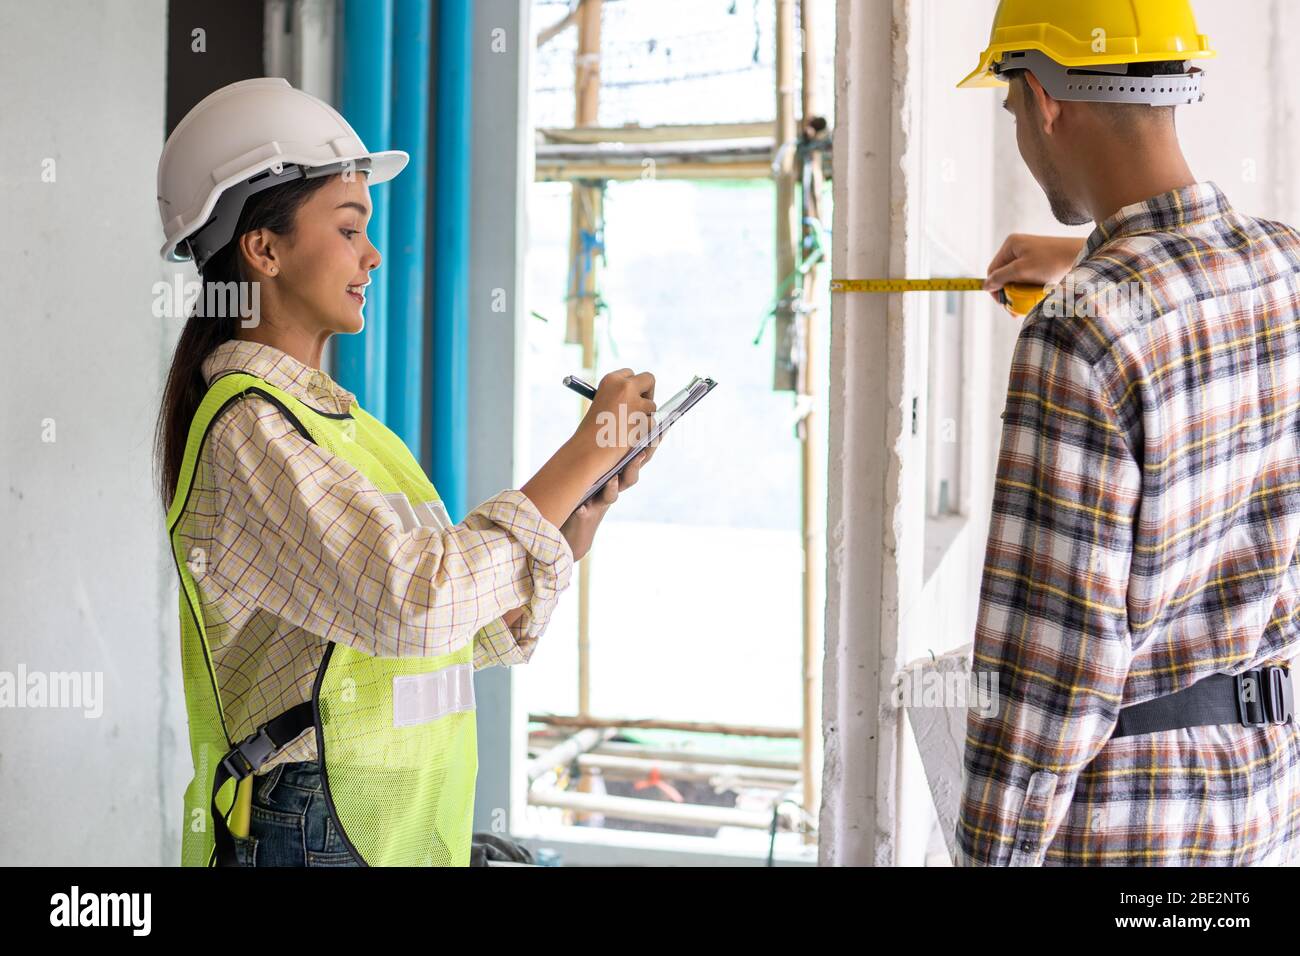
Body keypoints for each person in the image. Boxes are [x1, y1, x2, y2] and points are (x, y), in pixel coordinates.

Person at [154, 78, 656, 867]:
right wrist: (584, 449)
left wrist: (573, 519)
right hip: (316, 828)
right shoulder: (248, 426)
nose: (372, 254)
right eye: (350, 228)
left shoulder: (339, 426)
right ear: (264, 247)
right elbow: (416, 602)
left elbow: (440, 635)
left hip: (378, 825)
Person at [956, 0, 1300, 865]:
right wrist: (1095, 263)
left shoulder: (1077, 333)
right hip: (1261, 794)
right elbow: (1194, 271)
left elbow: (1048, 674)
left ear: (1041, 98)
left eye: (1009, 112)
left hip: (1129, 827)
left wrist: (989, 857)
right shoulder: (1285, 265)